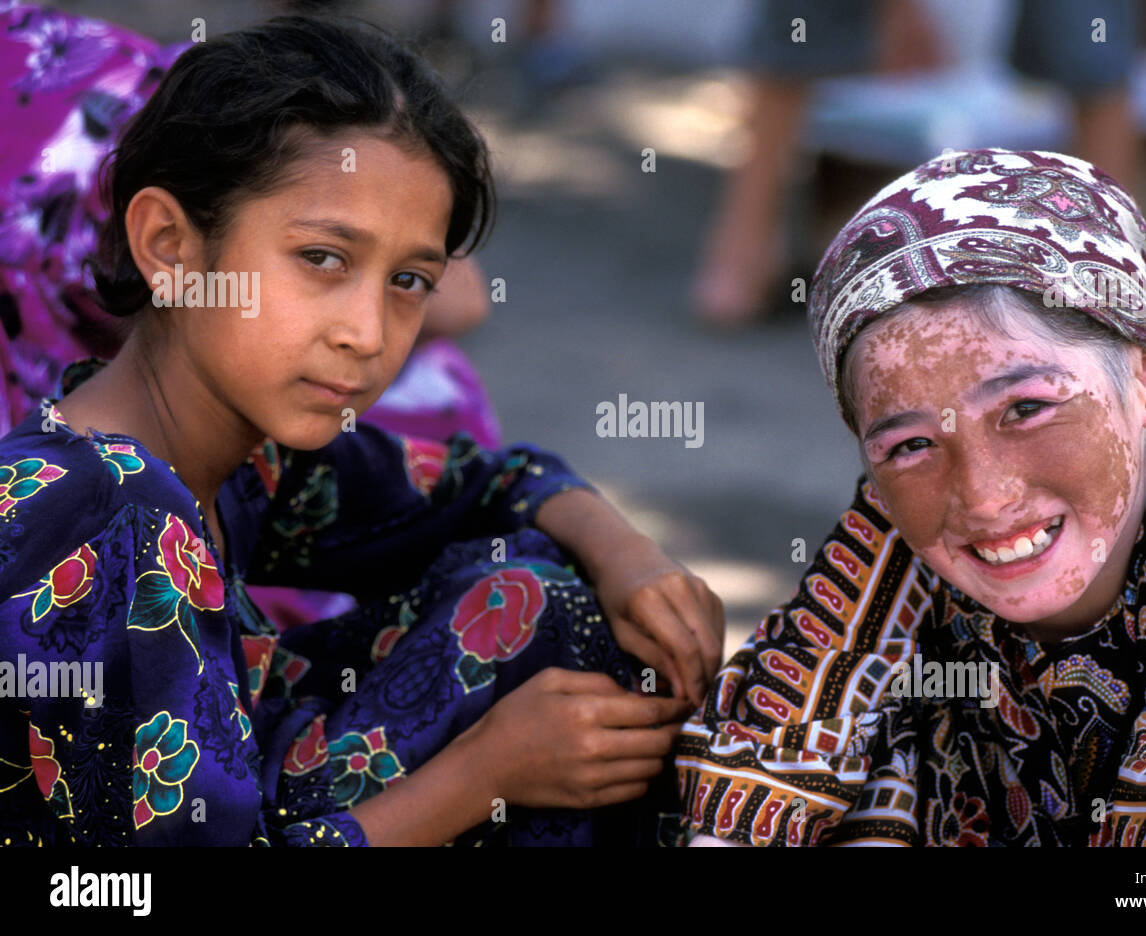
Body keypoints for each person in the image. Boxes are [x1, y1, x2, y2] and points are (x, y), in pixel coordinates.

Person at [0, 14, 725, 847]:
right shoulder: (98, 513)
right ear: (171, 246)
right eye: (323, 259)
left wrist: (633, 562)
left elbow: (491, 486)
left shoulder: (233, 453)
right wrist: (484, 774)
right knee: (545, 640)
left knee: (539, 595)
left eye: (409, 279)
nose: (368, 333)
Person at [675, 148, 1146, 846]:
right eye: (910, 445)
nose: (984, 498)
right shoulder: (897, 529)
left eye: (1026, 409)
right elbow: (782, 733)